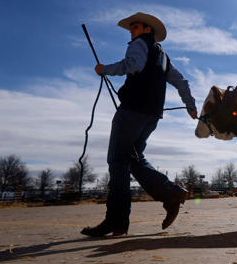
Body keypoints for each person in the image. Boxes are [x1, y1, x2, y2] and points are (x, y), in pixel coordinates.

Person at [81, 12, 197, 237]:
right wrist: (190, 104)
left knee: (117, 161)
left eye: (134, 27)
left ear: (147, 30)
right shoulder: (162, 56)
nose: (131, 32)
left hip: (132, 111)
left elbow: (133, 64)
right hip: (151, 115)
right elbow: (181, 81)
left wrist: (104, 69)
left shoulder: (139, 44)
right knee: (133, 159)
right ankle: (170, 193)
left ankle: (116, 221)